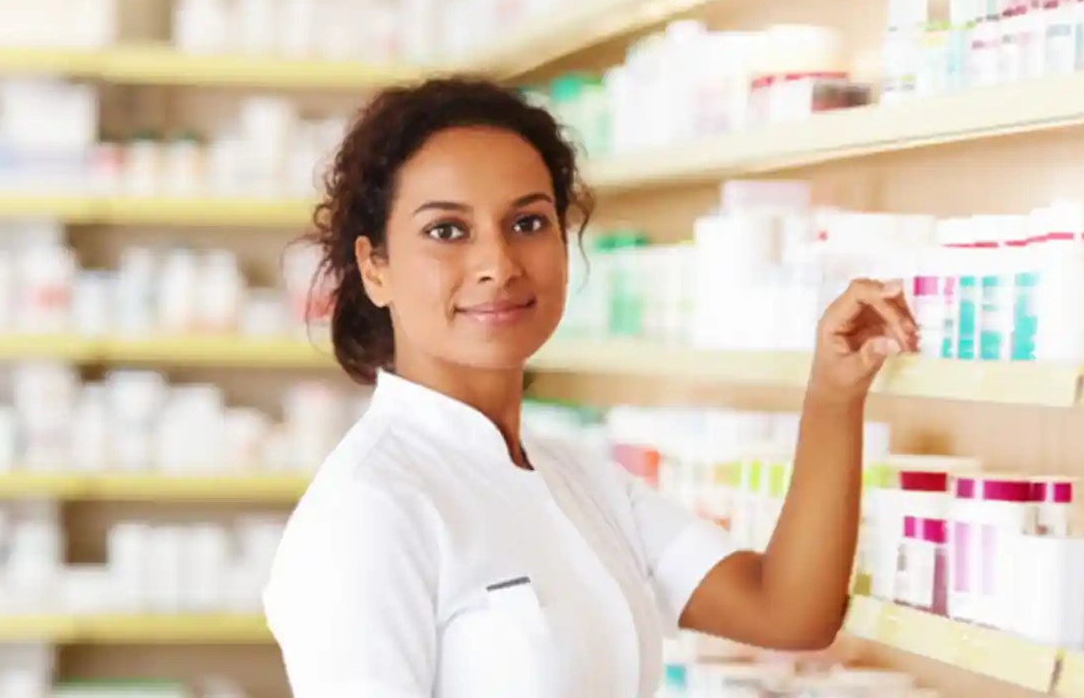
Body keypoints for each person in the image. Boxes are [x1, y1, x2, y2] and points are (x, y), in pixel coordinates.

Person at [263, 77, 917, 698]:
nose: (498, 264)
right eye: (447, 230)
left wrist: (833, 395)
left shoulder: (577, 479)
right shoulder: (369, 510)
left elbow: (788, 611)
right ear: (374, 268)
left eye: (528, 222)